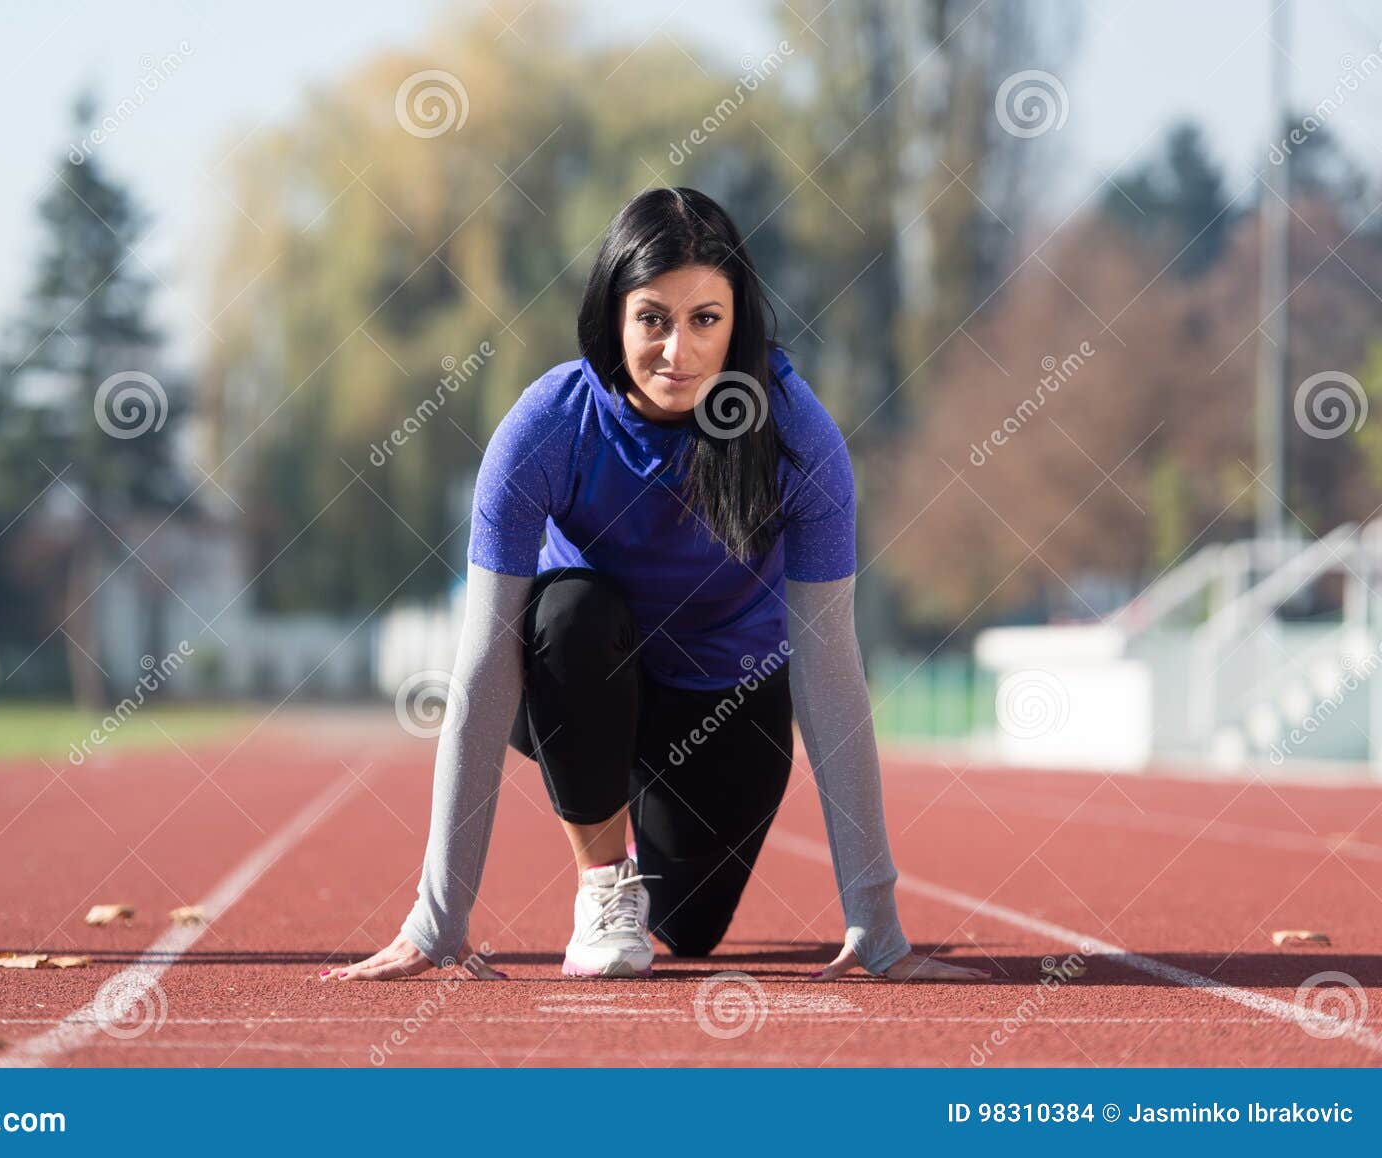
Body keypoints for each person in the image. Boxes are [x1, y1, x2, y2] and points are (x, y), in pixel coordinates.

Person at [322, 186, 991, 984]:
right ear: (613, 316)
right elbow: (483, 663)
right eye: (652, 320)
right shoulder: (546, 427)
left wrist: (876, 923)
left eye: (705, 319)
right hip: (580, 682)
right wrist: (439, 919)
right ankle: (603, 883)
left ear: (738, 319)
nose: (678, 350)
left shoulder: (797, 438)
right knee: (570, 609)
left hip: (728, 701)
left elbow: (830, 668)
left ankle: (655, 856)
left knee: (693, 932)